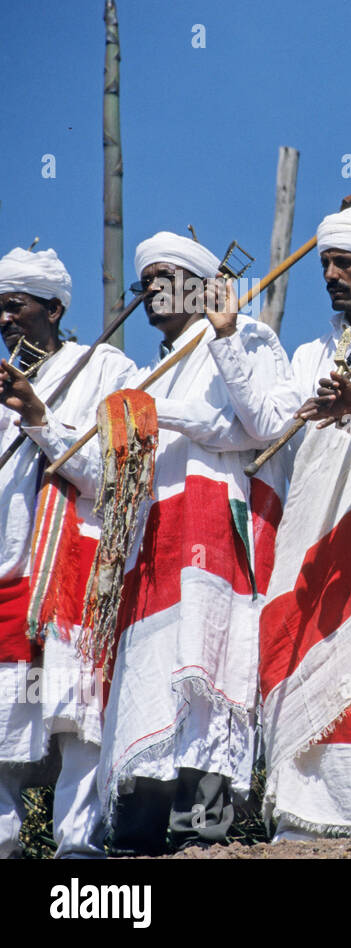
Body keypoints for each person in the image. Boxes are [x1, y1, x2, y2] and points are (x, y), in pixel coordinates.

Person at [209, 204, 351, 838]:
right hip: (312, 532)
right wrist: (225, 336)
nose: (332, 273)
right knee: (301, 658)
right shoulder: (310, 352)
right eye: (326, 262)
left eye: (346, 262)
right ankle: (305, 821)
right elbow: (270, 423)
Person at [100, 232, 297, 854]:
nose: (151, 293)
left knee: (210, 670)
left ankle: (201, 832)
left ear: (199, 285)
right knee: (150, 674)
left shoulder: (248, 339)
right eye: (144, 283)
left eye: (165, 278)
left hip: (215, 526)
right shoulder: (137, 373)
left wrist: (168, 403)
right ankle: (137, 838)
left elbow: (257, 428)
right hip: (152, 538)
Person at [0, 247, 135, 857]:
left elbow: (114, 476)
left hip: (73, 565)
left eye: (16, 306)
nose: (5, 321)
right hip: (7, 572)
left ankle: (78, 849)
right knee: (4, 719)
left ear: (54, 308)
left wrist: (38, 417)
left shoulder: (103, 367)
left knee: (75, 712)